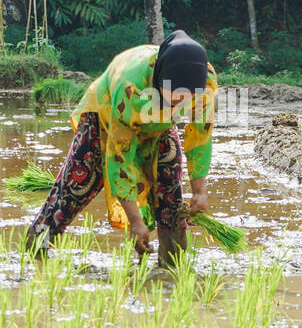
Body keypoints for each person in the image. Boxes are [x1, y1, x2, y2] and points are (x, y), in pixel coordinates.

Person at [26, 30, 216, 267]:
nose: (182, 102)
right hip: (107, 117)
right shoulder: (132, 87)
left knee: (170, 188)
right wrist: (135, 221)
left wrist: (199, 191)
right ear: (160, 79)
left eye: (188, 98)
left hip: (157, 125)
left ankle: (171, 265)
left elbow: (200, 134)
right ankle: (35, 248)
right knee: (77, 184)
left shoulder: (205, 81)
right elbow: (120, 156)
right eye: (175, 96)